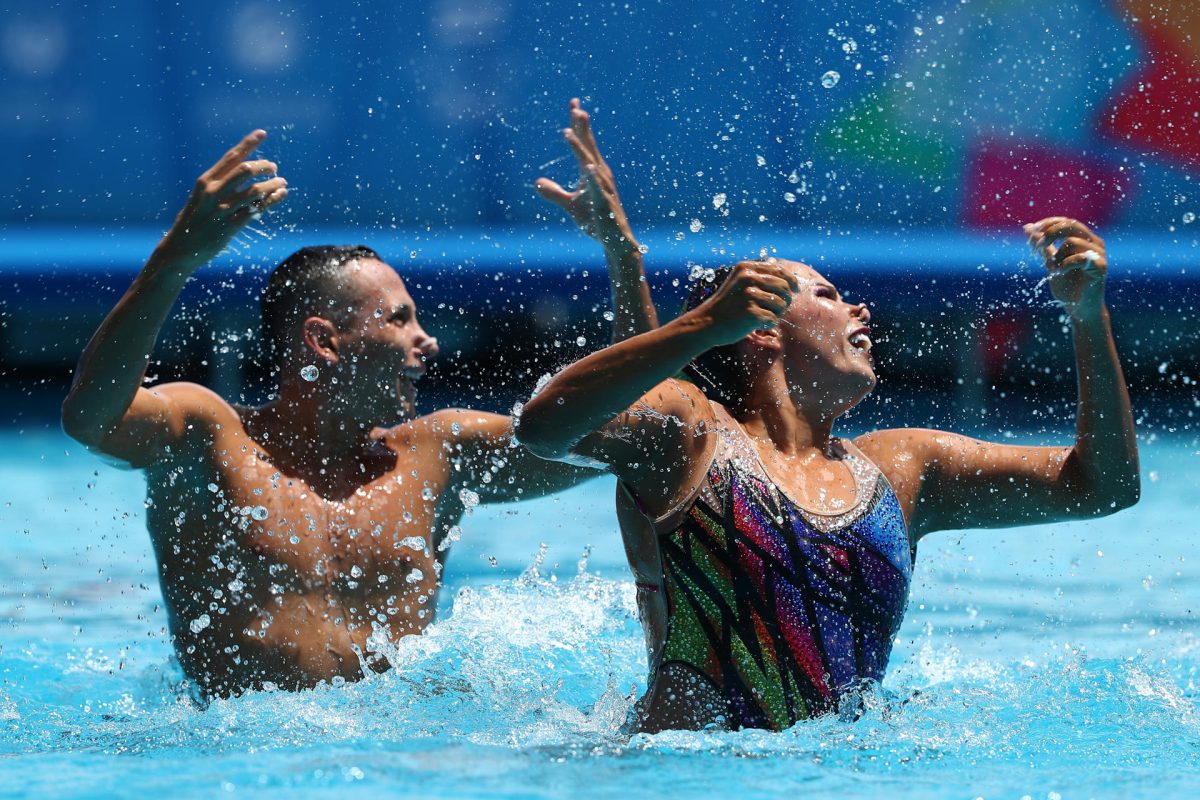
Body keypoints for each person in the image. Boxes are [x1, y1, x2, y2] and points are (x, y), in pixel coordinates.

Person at [60, 100, 653, 698]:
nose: (428, 341)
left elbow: (628, 431)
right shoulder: (208, 436)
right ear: (323, 342)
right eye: (401, 319)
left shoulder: (436, 454)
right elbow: (91, 418)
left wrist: (624, 255)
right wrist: (174, 261)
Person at [516, 217, 1139, 732]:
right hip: (677, 777)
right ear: (761, 330)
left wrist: (1088, 317)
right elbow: (543, 427)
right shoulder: (693, 434)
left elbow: (1103, 486)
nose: (860, 307)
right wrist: (699, 325)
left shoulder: (899, 468)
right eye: (828, 296)